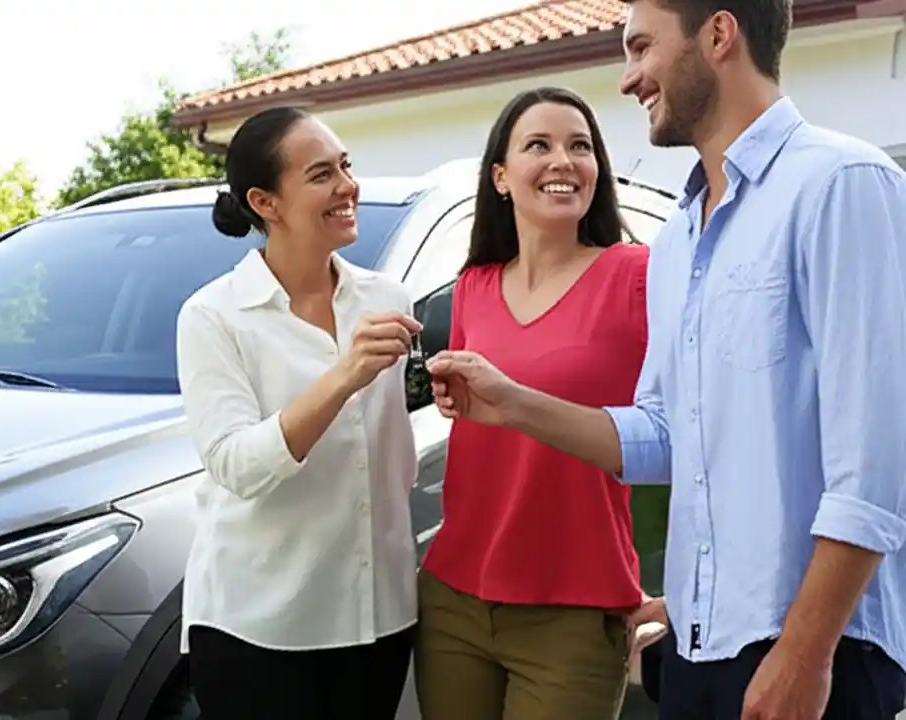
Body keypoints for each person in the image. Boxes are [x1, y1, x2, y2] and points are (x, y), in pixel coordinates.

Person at [426, 1, 906, 718]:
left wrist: (804, 653)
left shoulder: (841, 184)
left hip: (814, 655)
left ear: (718, 34)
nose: (628, 79)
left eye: (641, 48)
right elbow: (664, 439)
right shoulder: (681, 238)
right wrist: (513, 402)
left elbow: (874, 466)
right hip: (698, 646)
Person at [173, 105, 422, 720]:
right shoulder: (213, 316)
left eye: (345, 165)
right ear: (265, 202)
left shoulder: (387, 299)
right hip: (258, 630)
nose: (346, 186)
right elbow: (236, 466)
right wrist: (343, 377)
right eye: (320, 175)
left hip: (378, 617)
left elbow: (394, 457)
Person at [412, 86, 650, 720]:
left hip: (574, 606)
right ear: (500, 176)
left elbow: (687, 429)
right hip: (455, 597)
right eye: (538, 145)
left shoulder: (638, 275)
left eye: (580, 146)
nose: (562, 161)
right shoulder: (472, 286)